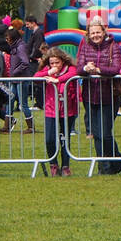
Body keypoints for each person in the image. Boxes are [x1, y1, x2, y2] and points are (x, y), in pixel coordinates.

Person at [76, 19, 121, 174]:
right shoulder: (84, 46)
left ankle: (115, 160)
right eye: (93, 33)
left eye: (98, 32)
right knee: (96, 134)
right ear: (88, 34)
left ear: (104, 32)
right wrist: (86, 68)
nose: (95, 35)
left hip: (109, 96)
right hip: (90, 95)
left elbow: (117, 67)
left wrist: (98, 69)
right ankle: (103, 166)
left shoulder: (114, 46)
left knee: (105, 133)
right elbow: (78, 68)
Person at [34, 47, 79, 176]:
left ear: (62, 61)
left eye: (57, 63)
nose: (55, 65)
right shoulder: (47, 70)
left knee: (65, 138)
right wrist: (48, 72)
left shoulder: (69, 68)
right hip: (51, 108)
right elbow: (36, 76)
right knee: (49, 138)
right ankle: (53, 164)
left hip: (67, 109)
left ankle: (65, 166)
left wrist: (58, 79)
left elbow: (73, 73)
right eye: (52, 63)